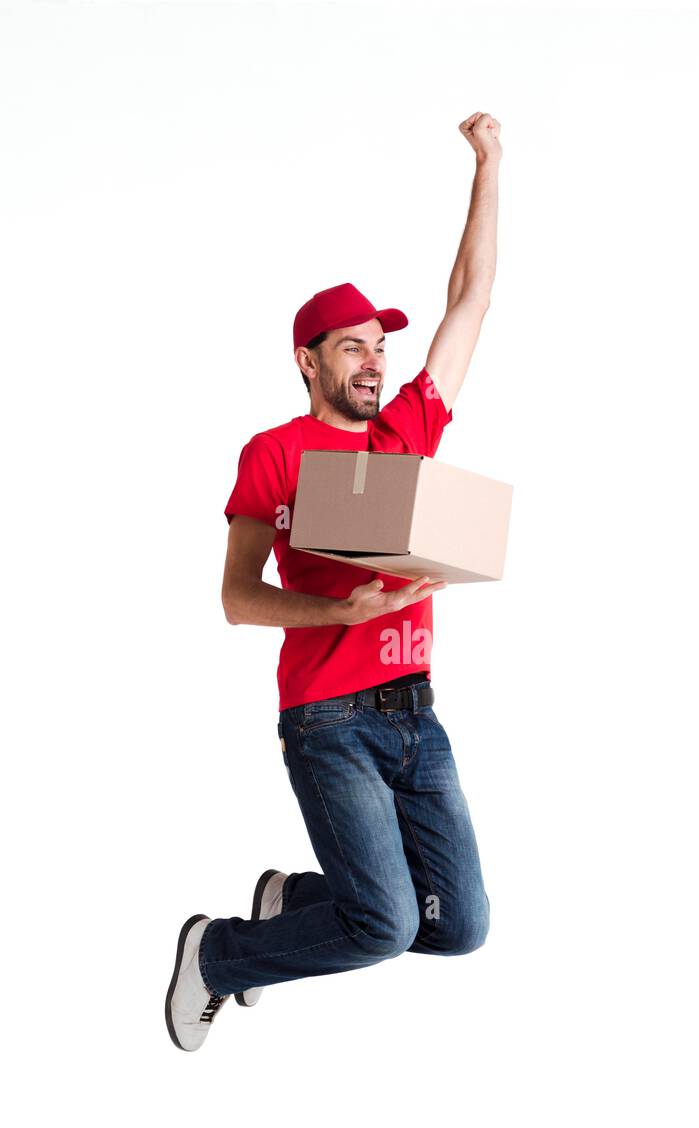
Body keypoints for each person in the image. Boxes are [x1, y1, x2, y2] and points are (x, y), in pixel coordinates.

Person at [165, 112, 502, 1051]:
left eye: (380, 346)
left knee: (457, 927)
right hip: (329, 720)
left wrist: (490, 163)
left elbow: (470, 300)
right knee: (382, 927)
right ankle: (220, 954)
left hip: (415, 716)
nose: (374, 361)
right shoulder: (273, 455)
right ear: (309, 360)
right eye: (352, 347)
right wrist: (337, 608)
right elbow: (237, 598)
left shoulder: (403, 439)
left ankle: (288, 904)